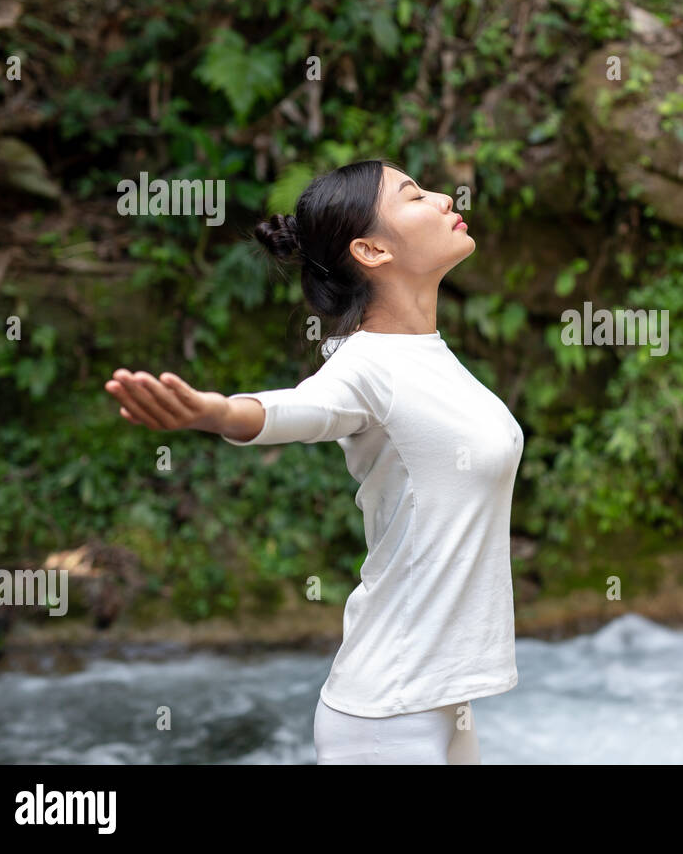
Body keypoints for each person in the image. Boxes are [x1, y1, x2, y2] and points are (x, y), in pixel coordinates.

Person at [104, 160, 524, 764]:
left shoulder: (428, 354)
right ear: (371, 249)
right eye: (412, 195)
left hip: (439, 701)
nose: (440, 197)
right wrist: (218, 412)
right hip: (388, 715)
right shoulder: (365, 365)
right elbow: (302, 408)